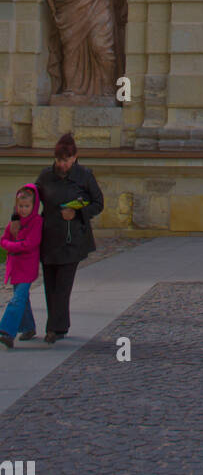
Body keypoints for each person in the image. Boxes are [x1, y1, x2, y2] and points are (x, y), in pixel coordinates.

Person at [36, 133, 103, 343]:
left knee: (63, 286)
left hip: (73, 239)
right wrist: (17, 218)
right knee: (51, 284)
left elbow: (97, 203)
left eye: (66, 160)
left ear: (74, 158)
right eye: (59, 160)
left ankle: (53, 329)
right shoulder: (46, 176)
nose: (62, 165)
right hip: (49, 237)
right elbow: (30, 198)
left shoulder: (84, 176)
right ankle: (61, 326)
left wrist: (77, 212)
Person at [0, 184, 43, 348]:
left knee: (17, 299)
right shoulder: (15, 223)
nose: (23, 209)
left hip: (27, 266)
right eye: (20, 206)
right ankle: (28, 327)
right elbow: (3, 239)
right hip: (15, 267)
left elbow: (30, 244)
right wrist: (11, 243)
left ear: (33, 206)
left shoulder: (37, 221)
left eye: (26, 206)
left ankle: (6, 331)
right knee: (23, 299)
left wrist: (12, 245)